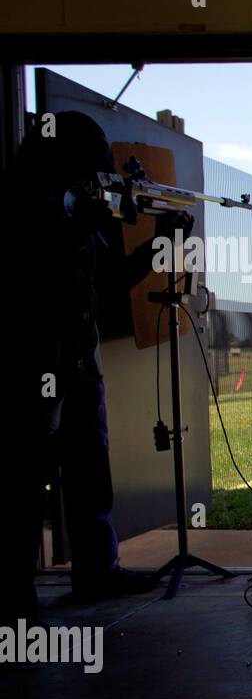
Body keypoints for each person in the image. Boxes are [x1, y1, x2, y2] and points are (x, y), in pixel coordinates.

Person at [3, 110, 188, 623]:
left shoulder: (75, 210)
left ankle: (96, 568)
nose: (93, 182)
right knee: (27, 474)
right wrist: (78, 224)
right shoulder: (26, 206)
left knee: (88, 468)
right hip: (34, 361)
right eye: (88, 169)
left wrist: (159, 246)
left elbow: (107, 285)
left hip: (77, 360)